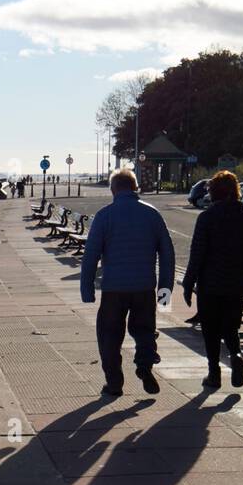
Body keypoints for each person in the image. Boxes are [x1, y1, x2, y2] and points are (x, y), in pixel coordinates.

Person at [79, 169, 176, 396]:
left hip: (114, 288)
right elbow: (167, 254)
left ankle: (114, 383)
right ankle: (144, 366)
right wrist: (165, 290)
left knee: (109, 335)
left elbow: (91, 254)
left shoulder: (105, 215)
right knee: (144, 331)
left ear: (113, 189)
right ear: (135, 188)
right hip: (144, 288)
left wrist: (87, 289)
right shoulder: (152, 215)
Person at [182, 170, 243, 390]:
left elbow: (197, 253)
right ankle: (235, 356)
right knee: (230, 327)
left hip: (210, 284)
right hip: (235, 283)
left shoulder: (207, 217)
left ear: (213, 192)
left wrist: (189, 283)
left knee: (211, 330)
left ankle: (214, 373)